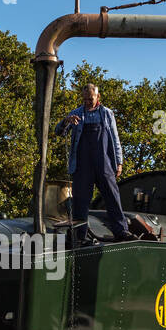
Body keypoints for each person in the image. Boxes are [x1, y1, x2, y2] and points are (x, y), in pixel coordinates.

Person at [54, 84, 134, 244]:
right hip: (82, 165)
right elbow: (58, 132)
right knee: (80, 201)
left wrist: (119, 162)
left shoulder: (106, 114)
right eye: (84, 99)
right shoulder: (75, 114)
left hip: (104, 162)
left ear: (98, 97)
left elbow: (115, 139)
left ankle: (121, 231)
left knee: (112, 196)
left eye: (90, 99)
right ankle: (79, 236)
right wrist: (65, 122)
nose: (87, 102)